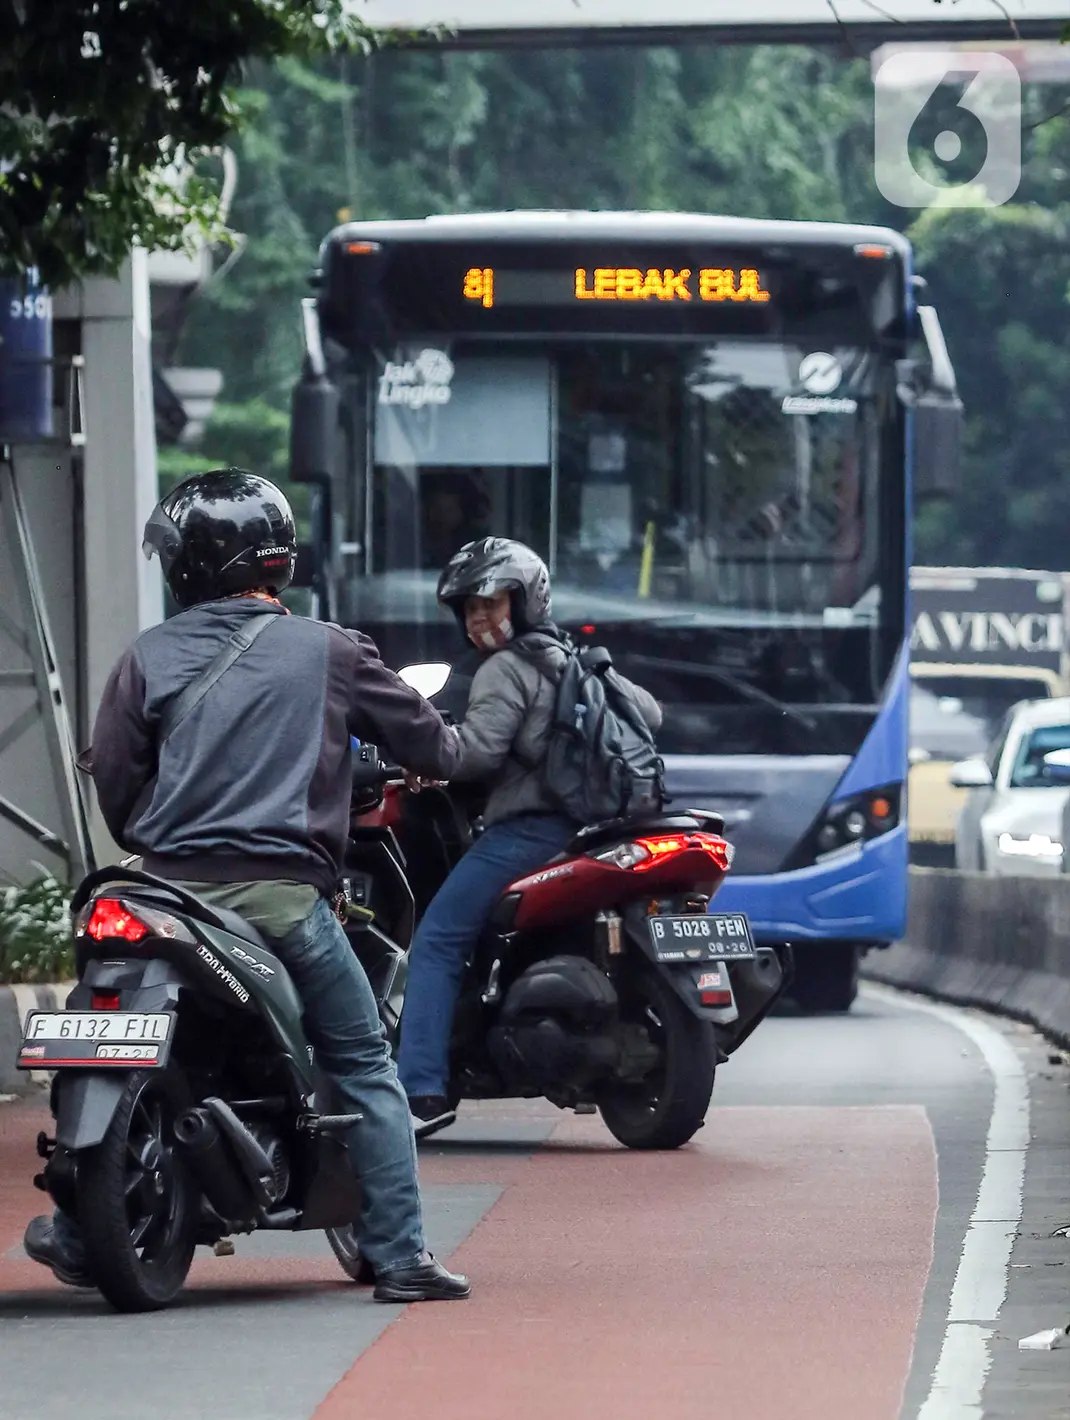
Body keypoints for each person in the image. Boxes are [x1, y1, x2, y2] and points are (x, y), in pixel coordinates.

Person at [24, 467, 470, 1304]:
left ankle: (85, 1226)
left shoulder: (147, 656)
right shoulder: (329, 648)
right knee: (365, 1059)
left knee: (115, 1023)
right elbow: (432, 747)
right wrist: (442, 759)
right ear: (276, 558)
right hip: (280, 898)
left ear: (191, 565)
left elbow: (119, 782)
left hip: (159, 893)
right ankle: (402, 1256)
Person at [397, 537, 662, 1138]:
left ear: (526, 601)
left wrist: (425, 754)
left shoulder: (506, 670)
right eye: (470, 609)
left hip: (532, 831)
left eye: (492, 603)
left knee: (437, 940)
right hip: (601, 828)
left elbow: (480, 751)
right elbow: (651, 715)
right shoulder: (581, 660)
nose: (480, 618)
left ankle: (420, 1092)